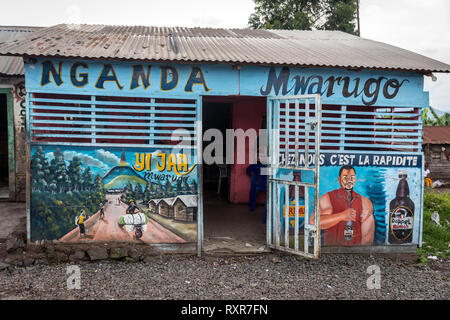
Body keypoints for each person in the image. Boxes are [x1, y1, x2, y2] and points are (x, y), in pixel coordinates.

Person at [312, 165, 374, 246]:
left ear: (355, 179)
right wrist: (341, 216)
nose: (349, 180)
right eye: (345, 177)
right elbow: (313, 222)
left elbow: (367, 236)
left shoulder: (365, 202)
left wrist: (360, 254)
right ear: (339, 179)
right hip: (332, 250)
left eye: (352, 177)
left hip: (356, 251)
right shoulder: (327, 198)